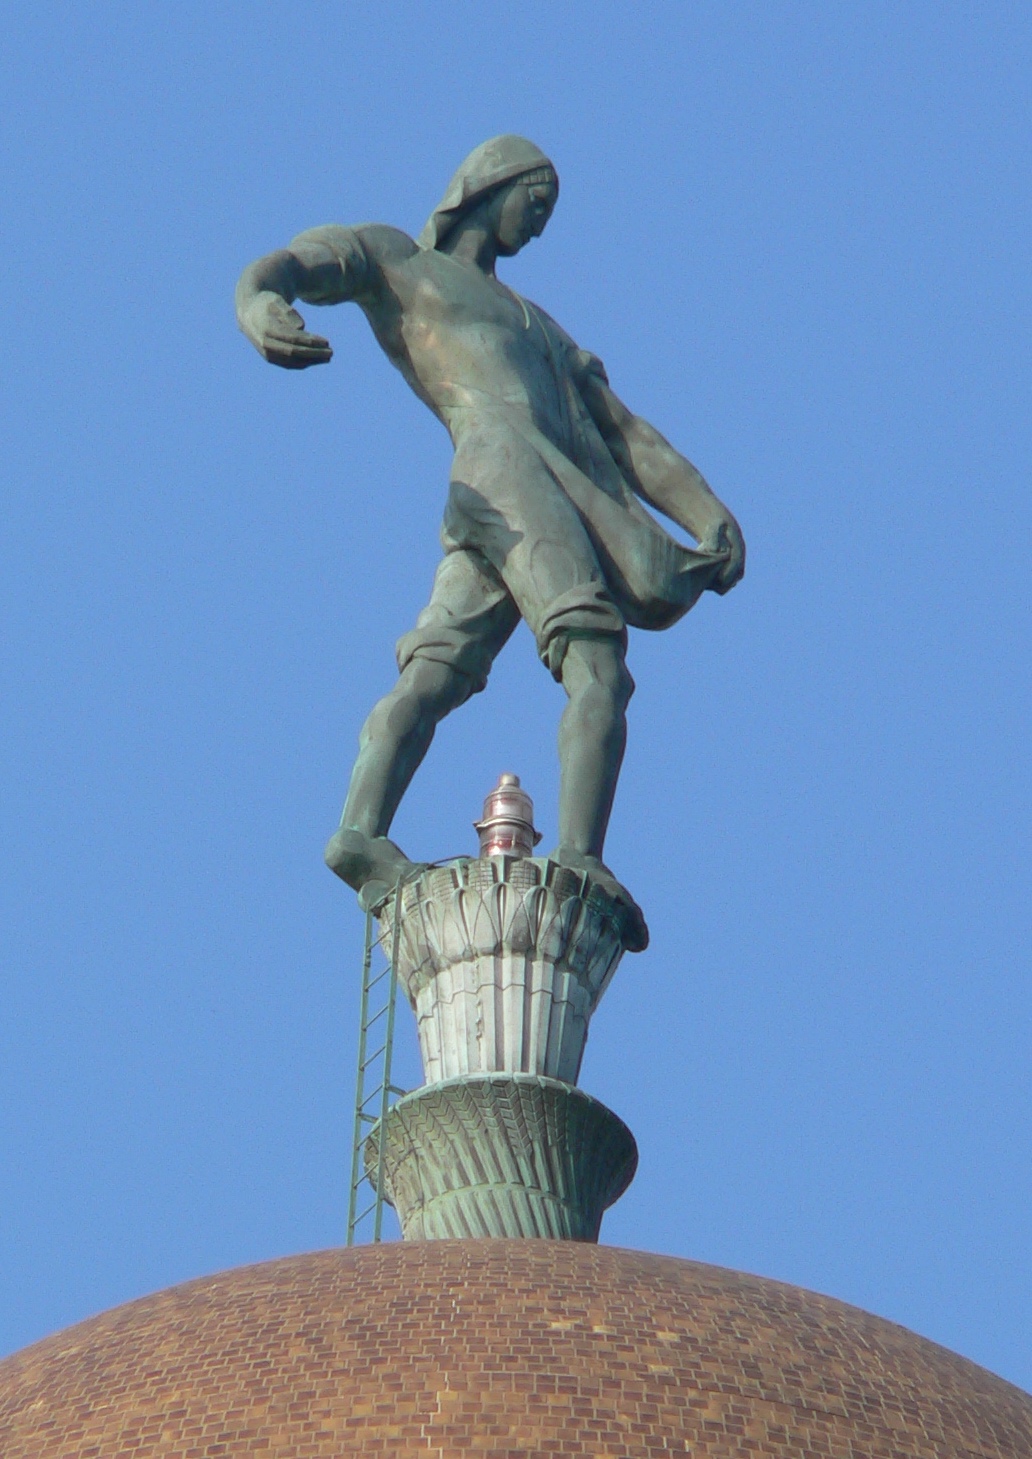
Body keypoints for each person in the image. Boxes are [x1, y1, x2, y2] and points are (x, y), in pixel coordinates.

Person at [235, 135, 744, 950]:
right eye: (533, 203)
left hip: (510, 490)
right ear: (488, 186)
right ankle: (579, 858)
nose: (537, 226)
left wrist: (707, 511)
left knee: (439, 669)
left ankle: (359, 831)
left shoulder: (540, 328)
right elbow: (294, 263)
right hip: (504, 468)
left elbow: (628, 437)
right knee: (598, 666)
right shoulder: (401, 263)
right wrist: (259, 301)